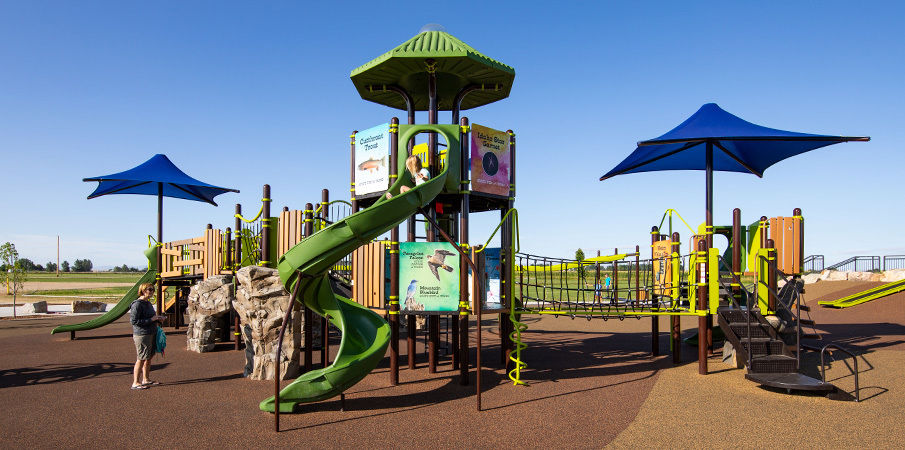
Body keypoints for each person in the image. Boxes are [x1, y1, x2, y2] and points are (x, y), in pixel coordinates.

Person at [130, 282, 166, 390]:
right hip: (142, 334)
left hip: (151, 332)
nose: (151, 292)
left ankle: (146, 379)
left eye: (152, 290)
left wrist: (158, 318)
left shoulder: (148, 303)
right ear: (143, 290)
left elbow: (152, 317)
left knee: (149, 357)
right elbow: (134, 321)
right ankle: (135, 382)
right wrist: (151, 320)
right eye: (149, 289)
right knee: (141, 358)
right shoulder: (137, 304)